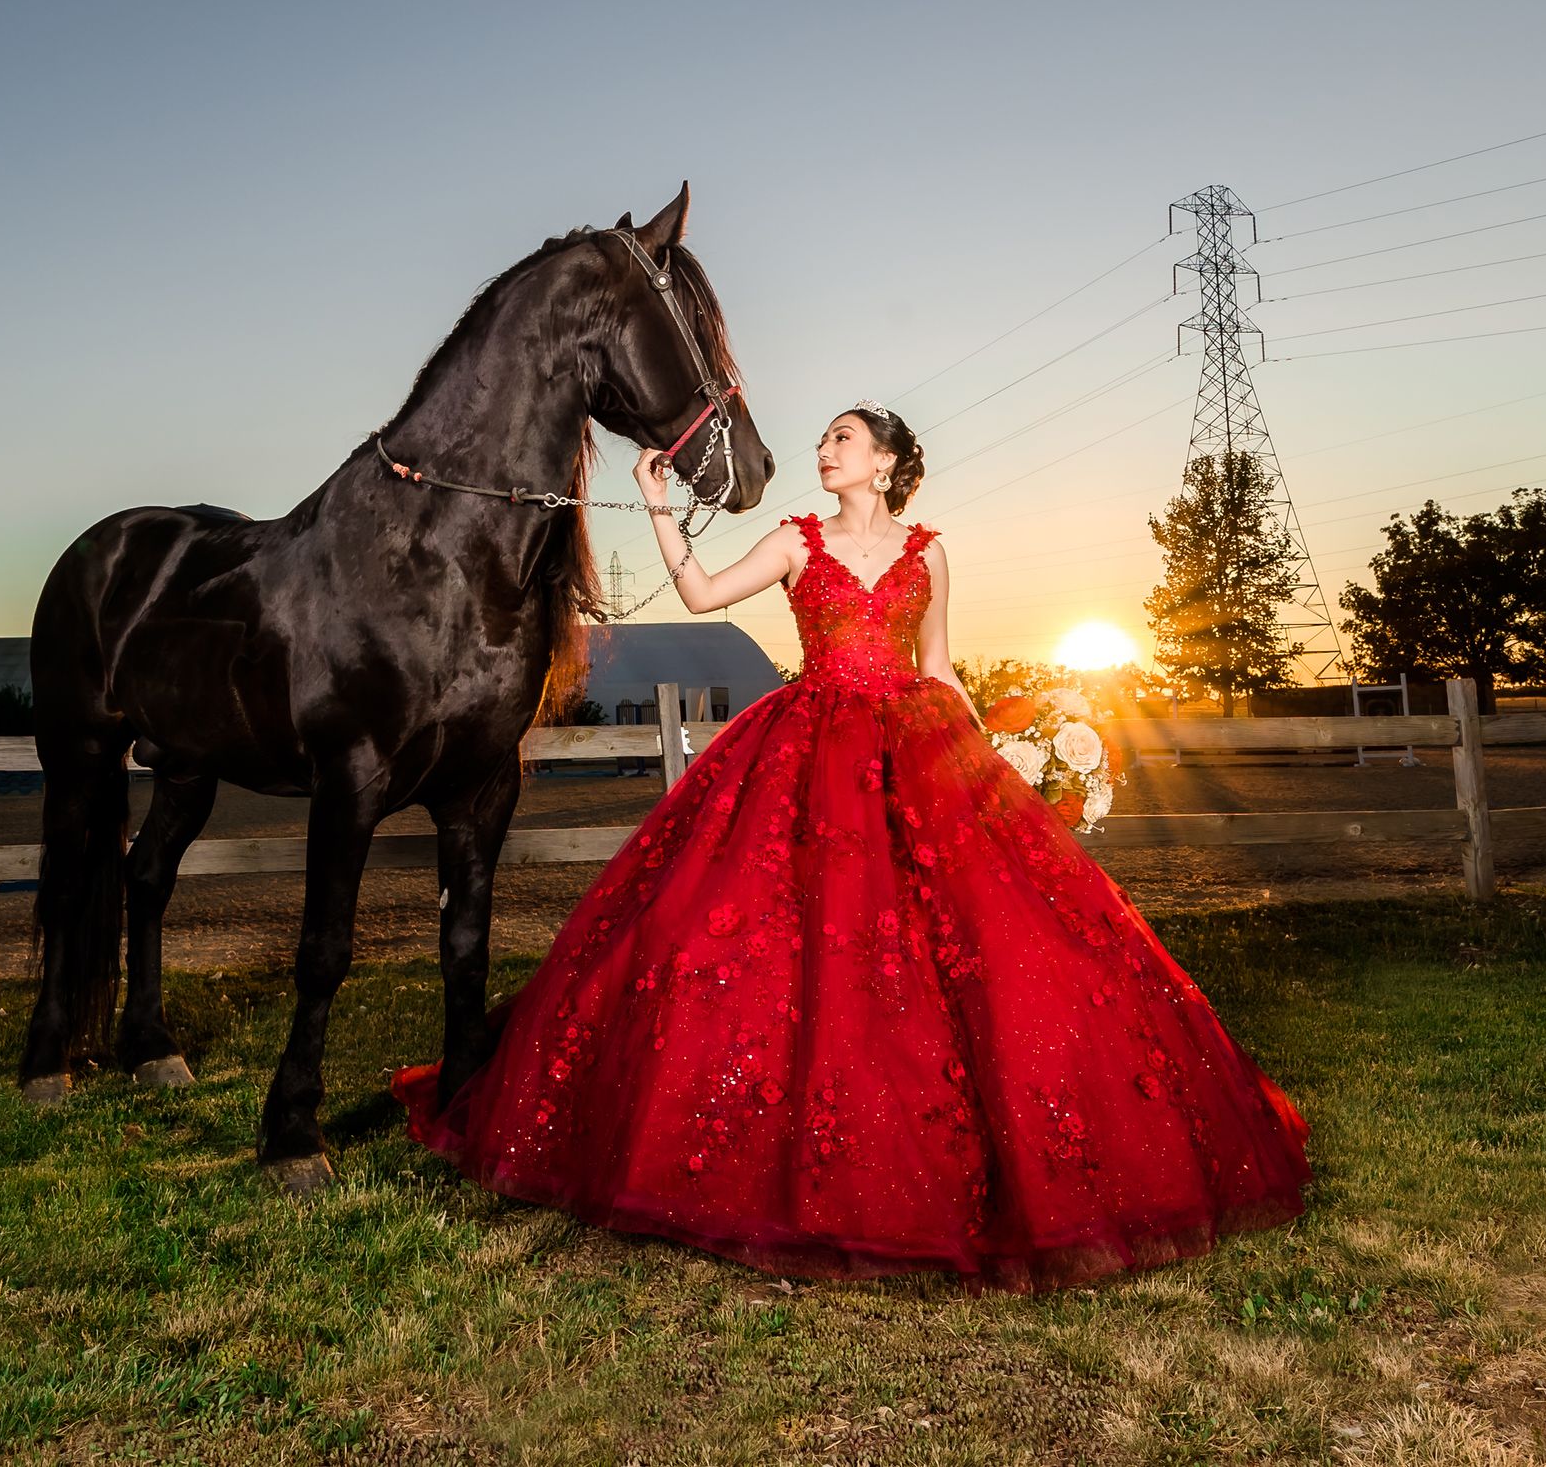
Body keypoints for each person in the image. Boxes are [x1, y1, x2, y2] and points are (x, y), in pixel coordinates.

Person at [393, 404, 1310, 1289]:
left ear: (885, 463)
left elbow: (939, 666)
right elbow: (704, 593)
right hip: (811, 742)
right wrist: (662, 505)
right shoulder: (798, 539)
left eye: (843, 438)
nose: (824, 450)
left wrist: (987, 763)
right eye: (824, 440)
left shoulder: (930, 552)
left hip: (915, 741)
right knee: (754, 931)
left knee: (975, 943)